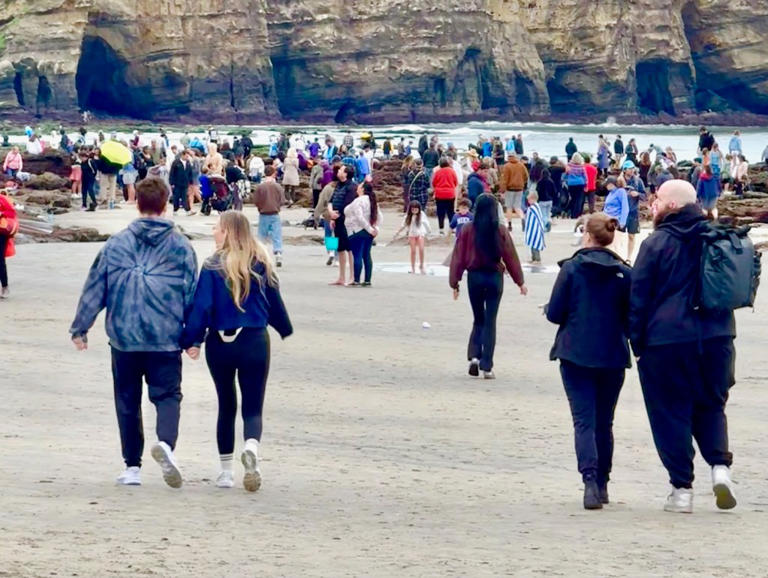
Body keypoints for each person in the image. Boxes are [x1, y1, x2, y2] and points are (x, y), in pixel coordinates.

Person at [69, 177, 198, 488]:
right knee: (167, 396)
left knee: (127, 400)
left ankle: (132, 467)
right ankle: (165, 444)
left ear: (136, 202)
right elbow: (192, 295)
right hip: (165, 337)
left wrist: (80, 327)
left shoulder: (117, 244)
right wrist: (194, 337)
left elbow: (96, 286)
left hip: (124, 337)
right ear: (166, 203)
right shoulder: (181, 246)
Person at [630, 179, 738, 514]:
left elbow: (638, 299)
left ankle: (682, 490)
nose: (653, 203)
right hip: (719, 337)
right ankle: (720, 469)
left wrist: (637, 343)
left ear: (673, 205)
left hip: (668, 340)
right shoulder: (719, 236)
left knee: (670, 413)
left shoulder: (656, 243)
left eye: (658, 198)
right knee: (712, 405)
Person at [180, 211, 292, 491]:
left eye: (217, 229)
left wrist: (191, 340)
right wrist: (283, 328)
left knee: (226, 404)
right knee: (253, 406)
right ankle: (252, 447)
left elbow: (202, 307)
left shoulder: (212, 266)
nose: (214, 233)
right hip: (254, 339)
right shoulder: (261, 262)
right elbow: (274, 303)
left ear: (228, 231)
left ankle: (226, 473)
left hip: (221, 344)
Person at [546, 213, 632, 510]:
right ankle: (603, 483)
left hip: (575, 352)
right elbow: (632, 318)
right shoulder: (624, 273)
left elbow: (555, 313)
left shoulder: (571, 269)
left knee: (584, 421)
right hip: (611, 353)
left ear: (587, 235)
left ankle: (590, 482)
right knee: (603, 422)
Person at [449, 193, 527, 379]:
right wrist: (520, 282)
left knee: (478, 318)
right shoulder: (500, 230)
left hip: (474, 277)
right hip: (494, 277)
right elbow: (510, 256)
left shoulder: (468, 229)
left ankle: (474, 357)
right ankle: (487, 366)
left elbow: (458, 256)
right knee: (491, 321)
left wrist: (455, 281)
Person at [345, 179, 380, 286]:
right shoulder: (372, 200)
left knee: (357, 255)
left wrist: (369, 228)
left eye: (359, 186)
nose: (357, 188)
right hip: (368, 233)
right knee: (366, 255)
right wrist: (375, 228)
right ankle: (367, 279)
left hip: (357, 231)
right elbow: (379, 216)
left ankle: (356, 279)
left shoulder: (358, 201)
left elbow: (359, 217)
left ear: (363, 189)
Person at [328, 164, 357, 285]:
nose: (338, 171)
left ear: (346, 174)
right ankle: (341, 277)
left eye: (341, 170)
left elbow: (348, 204)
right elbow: (331, 200)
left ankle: (352, 276)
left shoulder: (352, 186)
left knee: (350, 248)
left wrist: (337, 214)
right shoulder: (338, 185)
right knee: (339, 248)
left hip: (347, 221)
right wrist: (331, 214)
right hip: (336, 220)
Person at [253, 166, 285, 267]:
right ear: (273, 173)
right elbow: (282, 200)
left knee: (262, 236)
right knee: (277, 234)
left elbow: (255, 200)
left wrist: (260, 207)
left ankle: (261, 255)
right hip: (275, 213)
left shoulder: (260, 187)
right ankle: (278, 252)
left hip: (263, 213)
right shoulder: (278, 186)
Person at [393, 201, 431, 275]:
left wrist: (428, 232)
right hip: (412, 234)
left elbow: (426, 223)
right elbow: (403, 225)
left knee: (421, 249)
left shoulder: (422, 214)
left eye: (416, 209)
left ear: (419, 209)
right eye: (413, 209)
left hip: (420, 234)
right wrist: (397, 233)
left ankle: (421, 265)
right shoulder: (408, 216)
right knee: (413, 251)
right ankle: (413, 268)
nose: (414, 211)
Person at [622, 162, 647, 259]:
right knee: (618, 236)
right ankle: (617, 256)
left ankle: (628, 258)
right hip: (620, 213)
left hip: (633, 213)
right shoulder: (620, 181)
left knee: (631, 236)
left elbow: (645, 196)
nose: (632, 170)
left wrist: (638, 194)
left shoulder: (638, 181)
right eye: (629, 168)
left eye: (633, 168)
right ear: (624, 170)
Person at [499, 153, 528, 231]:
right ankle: (522, 218)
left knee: (509, 207)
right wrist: (522, 183)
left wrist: (502, 190)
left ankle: (509, 225)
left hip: (510, 189)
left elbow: (504, 180)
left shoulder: (507, 166)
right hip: (520, 188)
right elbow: (526, 176)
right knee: (517, 206)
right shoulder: (521, 165)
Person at [432, 157, 458, 235]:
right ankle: (452, 228)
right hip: (450, 193)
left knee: (440, 212)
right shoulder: (452, 171)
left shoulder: (437, 172)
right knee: (451, 212)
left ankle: (441, 229)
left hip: (439, 194)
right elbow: (456, 182)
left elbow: (434, 183)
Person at [0, 191, 18, 299]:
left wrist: (2, 214)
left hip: (1, 232)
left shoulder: (3, 199)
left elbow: (11, 213)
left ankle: (4, 286)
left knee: (0, 260)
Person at [170, 149, 196, 216]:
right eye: (186, 156)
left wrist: (191, 182)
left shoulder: (188, 163)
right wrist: (172, 183)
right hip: (177, 183)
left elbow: (190, 173)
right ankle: (175, 209)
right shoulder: (176, 162)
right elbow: (172, 173)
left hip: (185, 183)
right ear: (182, 155)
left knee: (185, 196)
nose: (187, 158)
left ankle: (188, 210)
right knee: (176, 196)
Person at [524, 190, 546, 264]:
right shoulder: (534, 207)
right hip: (533, 230)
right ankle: (533, 258)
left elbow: (537, 219)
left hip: (536, 230)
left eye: (529, 199)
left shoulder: (534, 208)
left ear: (533, 199)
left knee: (535, 246)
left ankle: (537, 259)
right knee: (532, 245)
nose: (528, 201)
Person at [565, 153, 587, 218]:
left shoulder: (569, 165)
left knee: (573, 199)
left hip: (571, 184)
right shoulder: (582, 166)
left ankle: (571, 212)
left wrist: (566, 180)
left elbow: (566, 174)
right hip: (580, 183)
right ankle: (575, 214)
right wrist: (586, 184)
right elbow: (585, 176)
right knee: (579, 199)